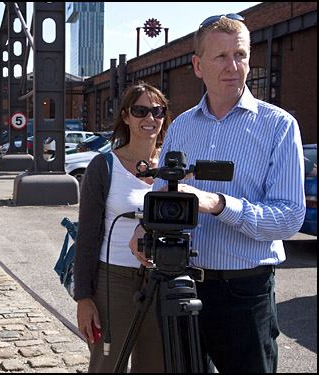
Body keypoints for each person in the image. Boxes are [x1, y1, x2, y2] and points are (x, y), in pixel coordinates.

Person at [129, 14, 306, 373]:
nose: (233, 66)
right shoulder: (181, 127)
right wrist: (143, 226)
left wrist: (221, 205)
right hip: (179, 284)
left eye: (240, 55)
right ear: (197, 65)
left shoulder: (279, 126)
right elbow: (164, 193)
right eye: (221, 57)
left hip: (244, 293)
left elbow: (290, 217)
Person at [74, 82, 171, 372]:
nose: (149, 118)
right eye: (140, 110)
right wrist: (83, 298)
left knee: (154, 366)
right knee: (107, 364)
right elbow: (87, 237)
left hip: (161, 281)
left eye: (157, 111)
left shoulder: (174, 165)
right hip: (112, 281)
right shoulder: (104, 166)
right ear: (125, 117)